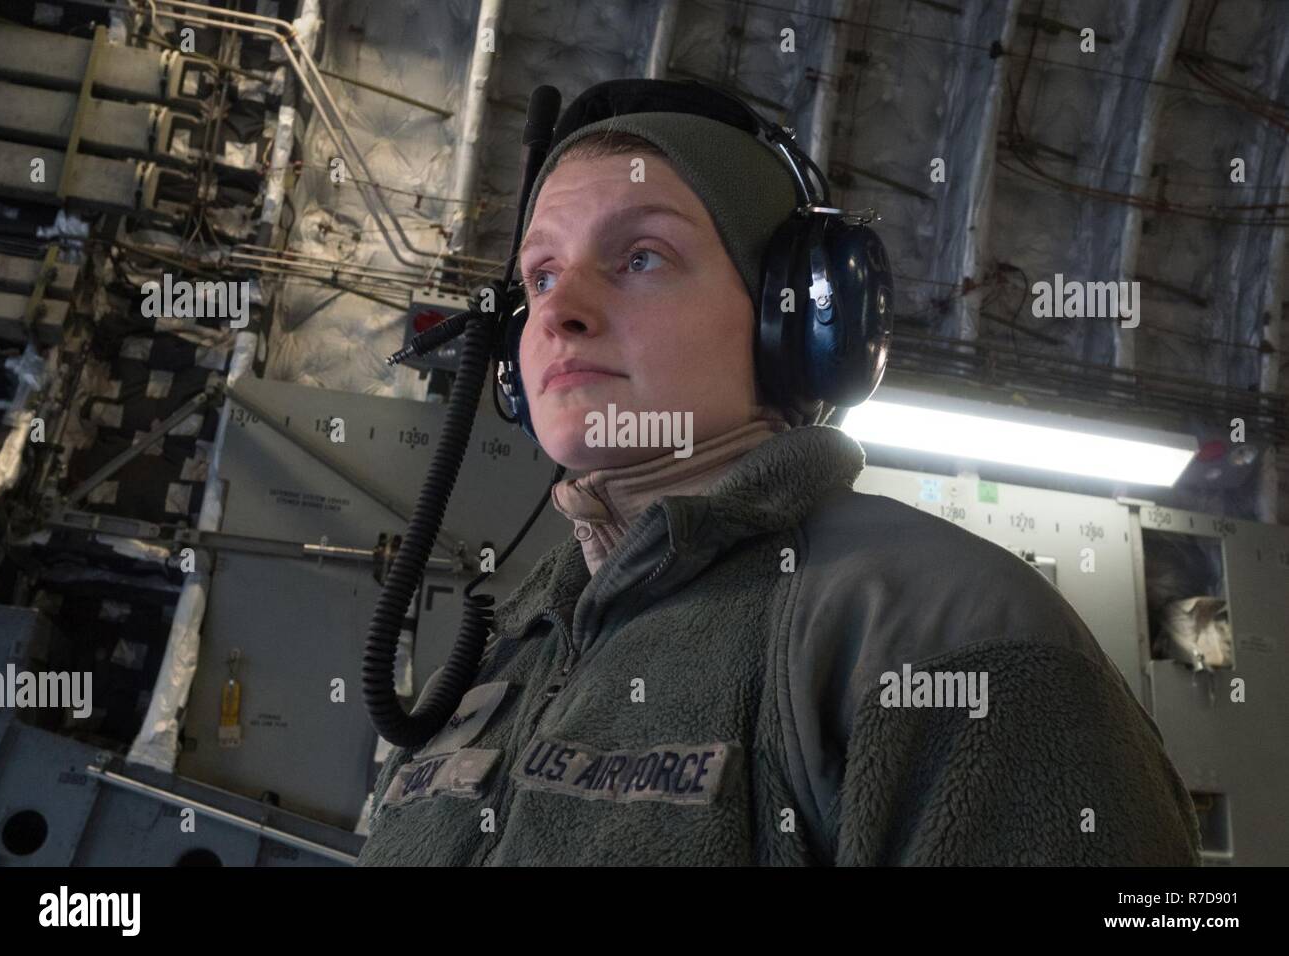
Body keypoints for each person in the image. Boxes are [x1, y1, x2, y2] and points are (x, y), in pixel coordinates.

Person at [355, 80, 1201, 866]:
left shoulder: (950, 639)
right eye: (540, 274)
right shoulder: (499, 653)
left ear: (796, 318)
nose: (558, 310)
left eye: (641, 256)